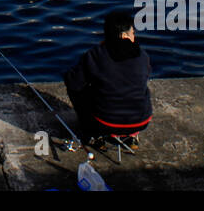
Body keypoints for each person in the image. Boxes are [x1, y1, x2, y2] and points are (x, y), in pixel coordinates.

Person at [63, 10, 153, 147]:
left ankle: (92, 131)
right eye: (133, 33)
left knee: (78, 89)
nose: (134, 36)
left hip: (105, 123)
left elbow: (73, 82)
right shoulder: (142, 55)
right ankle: (132, 134)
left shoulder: (95, 54)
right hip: (141, 121)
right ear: (124, 35)